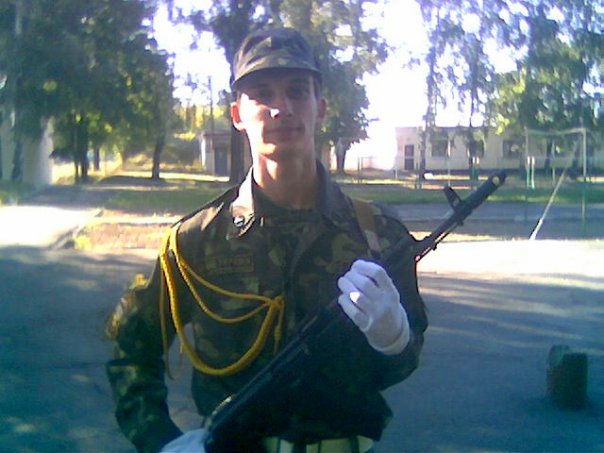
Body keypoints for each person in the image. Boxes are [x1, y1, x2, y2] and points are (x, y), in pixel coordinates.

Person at [106, 27, 427, 453]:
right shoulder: (194, 242)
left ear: (320, 107)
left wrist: (395, 339)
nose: (281, 109)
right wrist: (160, 440)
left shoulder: (377, 234)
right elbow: (132, 351)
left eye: (297, 91)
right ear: (237, 114)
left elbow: (401, 363)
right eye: (262, 94)